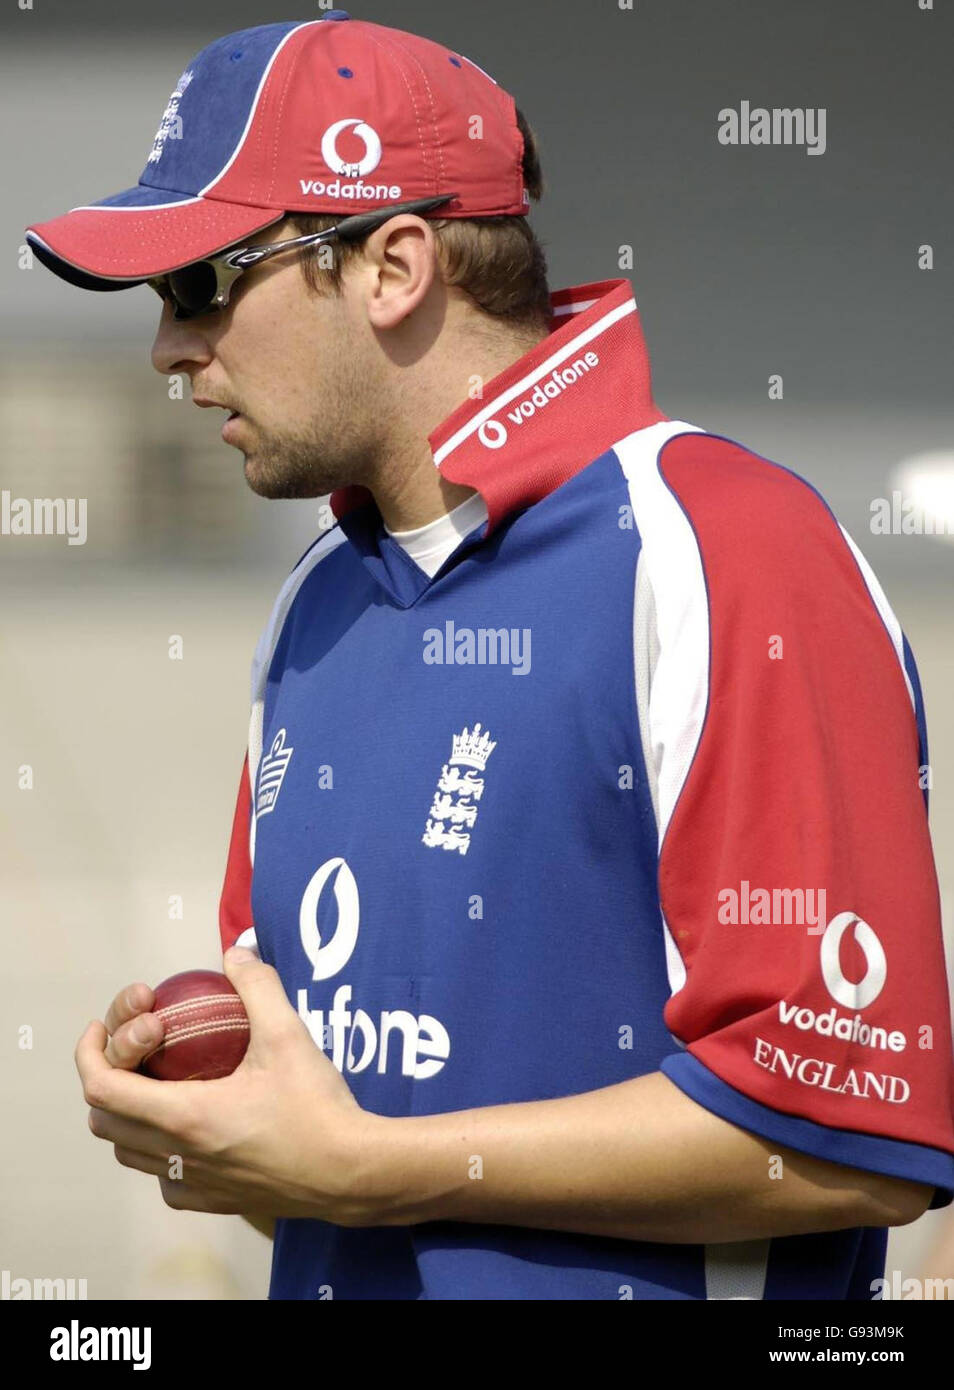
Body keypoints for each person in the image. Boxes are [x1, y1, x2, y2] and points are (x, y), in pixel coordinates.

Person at [28, 13, 954, 1301]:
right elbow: (329, 1124)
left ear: (395, 265)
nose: (169, 350)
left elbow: (857, 1141)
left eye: (201, 286)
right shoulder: (313, 606)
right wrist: (213, 1104)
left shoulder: (723, 546)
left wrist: (373, 1167)